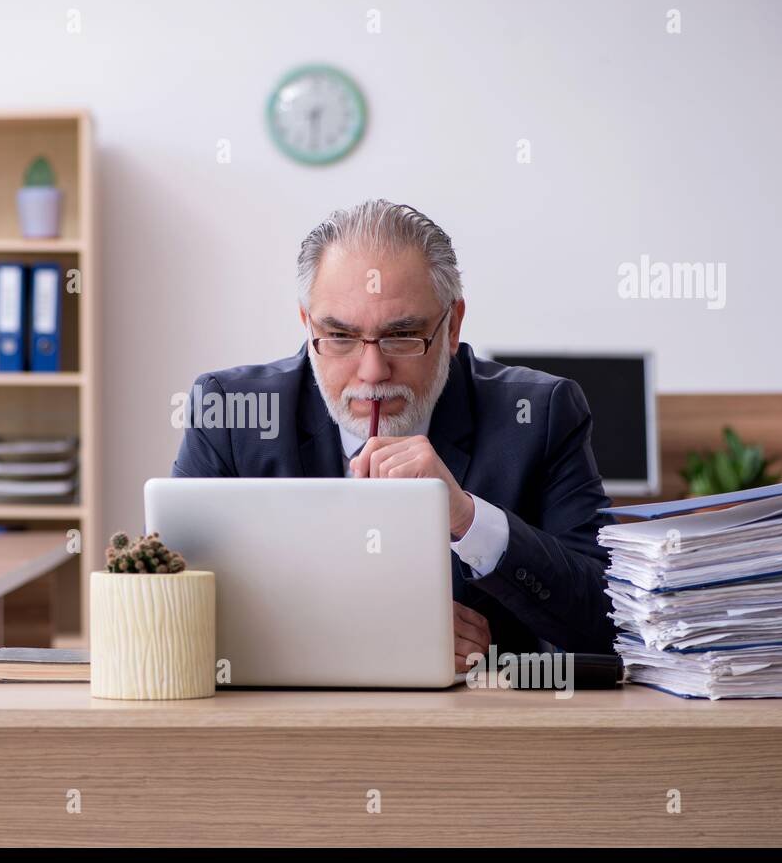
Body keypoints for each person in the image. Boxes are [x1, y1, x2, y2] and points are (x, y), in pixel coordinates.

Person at [172, 199, 617, 669]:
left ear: (452, 327)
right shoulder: (230, 412)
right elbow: (169, 606)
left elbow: (610, 624)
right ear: (307, 326)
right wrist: (367, 632)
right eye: (340, 336)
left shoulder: (542, 415)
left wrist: (467, 518)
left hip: (480, 732)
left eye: (402, 336)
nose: (372, 371)